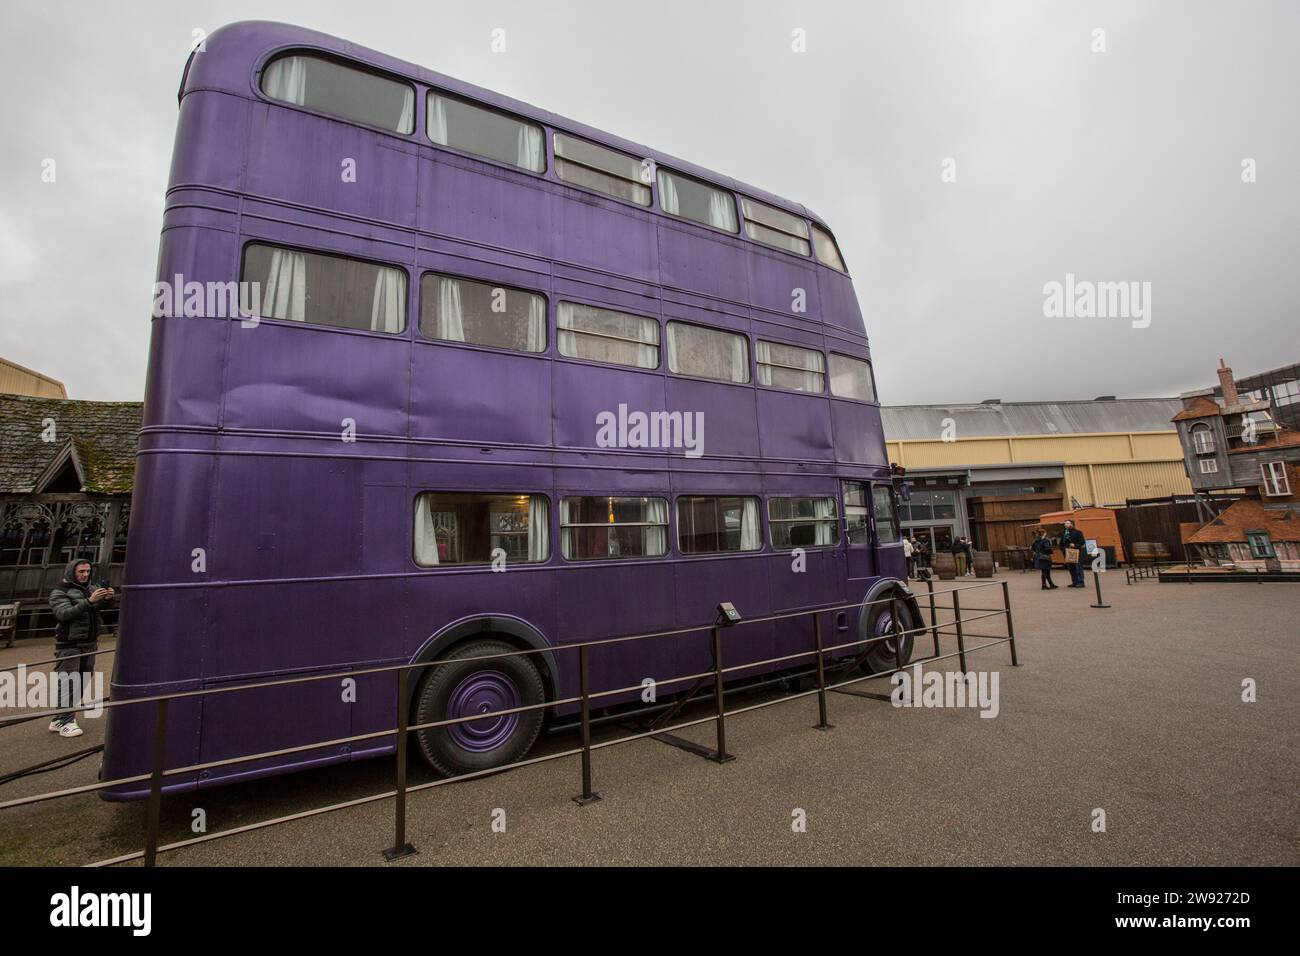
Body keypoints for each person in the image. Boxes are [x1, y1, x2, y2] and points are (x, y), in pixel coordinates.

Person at [47, 559, 114, 737]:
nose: (85, 575)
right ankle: (67, 721)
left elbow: (98, 609)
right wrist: (89, 601)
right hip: (69, 643)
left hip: (89, 642)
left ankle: (58, 718)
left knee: (83, 680)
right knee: (69, 682)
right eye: (81, 572)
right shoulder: (59, 592)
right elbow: (63, 614)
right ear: (72, 572)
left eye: (87, 571)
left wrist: (107, 599)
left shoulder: (90, 588)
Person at [1059, 520, 1087, 588]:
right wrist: (1063, 549)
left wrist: (1075, 545)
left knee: (1078, 567)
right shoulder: (1063, 533)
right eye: (1065, 523)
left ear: (1072, 524)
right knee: (1071, 568)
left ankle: (1081, 582)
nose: (1066, 525)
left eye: (1068, 523)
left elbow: (1082, 542)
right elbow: (1061, 542)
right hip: (1067, 552)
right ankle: (1074, 582)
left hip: (1076, 552)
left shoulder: (1078, 532)